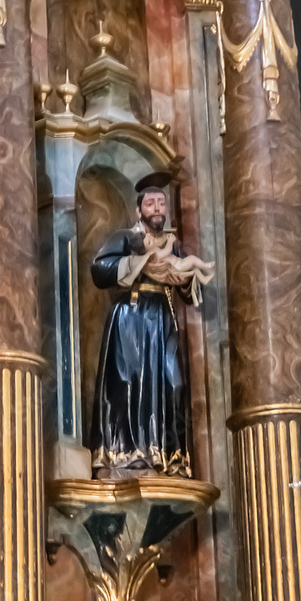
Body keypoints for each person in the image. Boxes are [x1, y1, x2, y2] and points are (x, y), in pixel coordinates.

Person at [89, 171, 211, 479]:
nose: (157, 209)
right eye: (151, 204)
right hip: (130, 319)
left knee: (174, 384)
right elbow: (99, 269)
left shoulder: (173, 244)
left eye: (161, 204)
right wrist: (139, 262)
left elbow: (192, 292)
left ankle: (169, 456)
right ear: (138, 210)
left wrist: (184, 278)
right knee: (131, 385)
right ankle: (129, 453)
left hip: (162, 321)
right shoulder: (127, 238)